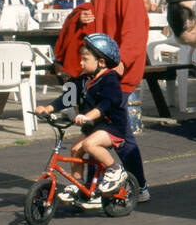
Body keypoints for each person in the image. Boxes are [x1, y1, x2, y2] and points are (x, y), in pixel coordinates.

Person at [54, 0, 151, 201]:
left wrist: (121, 63)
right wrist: (83, 17)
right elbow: (94, 24)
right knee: (92, 133)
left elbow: (134, 32)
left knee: (119, 135)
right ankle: (91, 185)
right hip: (99, 73)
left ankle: (138, 185)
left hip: (116, 75)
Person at [36, 33, 131, 194]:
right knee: (75, 149)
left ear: (101, 62)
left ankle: (115, 170)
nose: (81, 62)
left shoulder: (110, 80)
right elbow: (67, 98)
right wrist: (48, 109)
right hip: (93, 128)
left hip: (111, 128)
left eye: (85, 59)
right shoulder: (84, 79)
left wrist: (87, 116)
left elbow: (105, 105)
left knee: (89, 145)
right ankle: (77, 184)